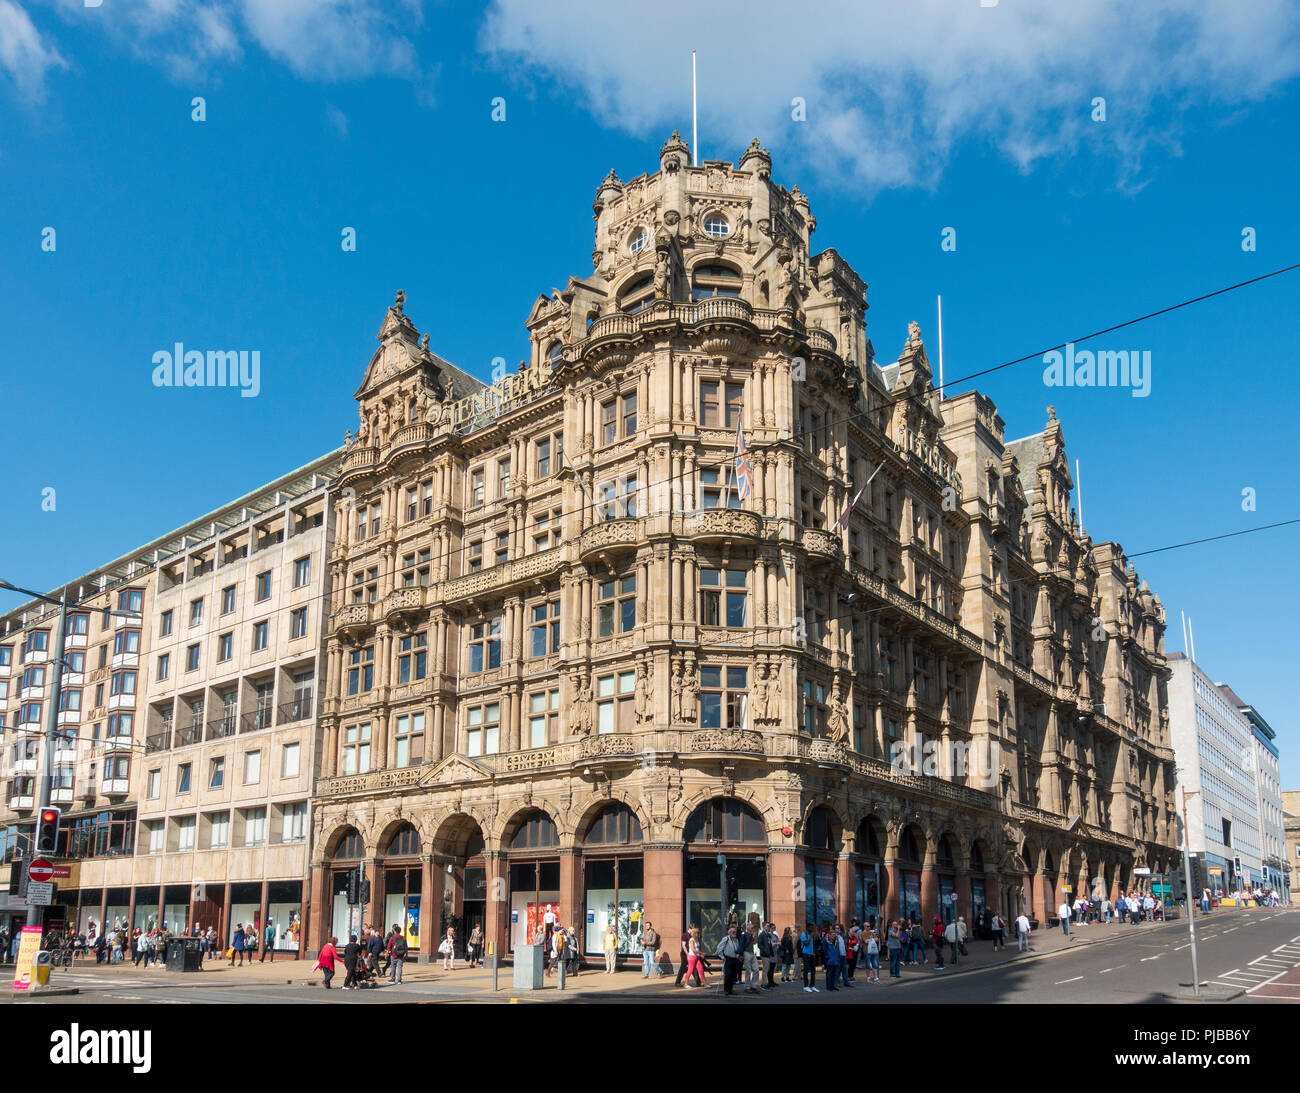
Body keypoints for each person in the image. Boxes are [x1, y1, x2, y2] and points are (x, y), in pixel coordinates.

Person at [716, 925, 744, 996]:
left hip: (734, 959)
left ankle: (731, 989)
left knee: (733, 975)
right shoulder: (726, 939)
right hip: (728, 958)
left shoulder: (736, 940)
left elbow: (736, 951)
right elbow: (719, 948)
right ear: (729, 932)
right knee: (728, 975)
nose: (734, 933)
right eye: (732, 931)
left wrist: (738, 957)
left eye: (735, 931)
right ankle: (726, 990)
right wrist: (722, 956)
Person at [798, 923, 818, 992]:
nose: (812, 929)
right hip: (806, 954)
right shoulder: (804, 934)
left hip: (812, 954)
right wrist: (810, 937)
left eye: (812, 928)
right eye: (811, 928)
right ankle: (805, 986)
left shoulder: (812, 934)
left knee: (813, 971)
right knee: (806, 970)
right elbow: (806, 944)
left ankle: (812, 985)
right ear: (807, 928)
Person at [742, 922, 761, 993]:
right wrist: (751, 936)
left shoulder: (751, 935)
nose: (753, 929)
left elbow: (754, 943)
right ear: (748, 928)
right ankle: (747, 987)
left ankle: (753, 985)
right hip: (746, 952)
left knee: (756, 969)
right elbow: (745, 944)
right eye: (751, 928)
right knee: (748, 970)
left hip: (752, 952)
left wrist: (753, 937)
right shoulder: (745, 935)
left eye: (753, 928)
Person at [823, 926, 842, 991]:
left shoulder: (836, 942)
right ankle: (829, 986)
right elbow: (824, 951)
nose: (834, 936)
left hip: (835, 960)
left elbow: (837, 951)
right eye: (833, 935)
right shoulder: (826, 942)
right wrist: (827, 958)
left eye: (835, 935)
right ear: (830, 935)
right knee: (829, 974)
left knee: (834, 974)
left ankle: (833, 985)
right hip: (830, 960)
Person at [756, 921, 774, 989]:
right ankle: (764, 984)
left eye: (769, 926)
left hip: (768, 954)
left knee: (767, 968)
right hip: (764, 954)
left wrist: (771, 952)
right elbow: (759, 945)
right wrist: (765, 951)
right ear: (764, 926)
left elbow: (769, 944)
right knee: (765, 969)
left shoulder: (768, 935)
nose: (768, 927)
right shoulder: (762, 934)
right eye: (767, 926)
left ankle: (766, 982)